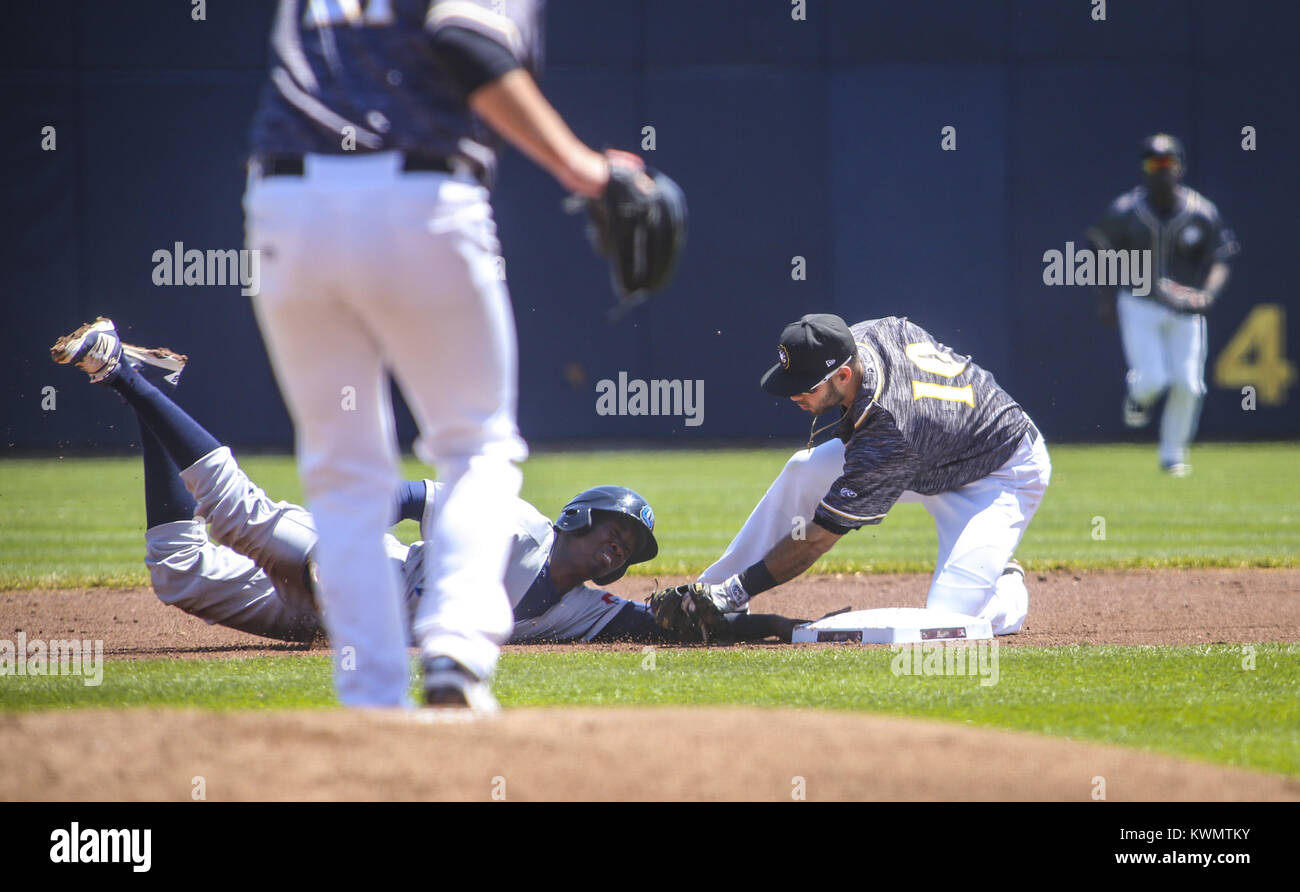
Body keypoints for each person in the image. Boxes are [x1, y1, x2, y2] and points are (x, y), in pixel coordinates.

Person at [242, 0, 657, 710]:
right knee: (476, 448)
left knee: (344, 474)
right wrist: (588, 171)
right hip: (417, 193)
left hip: (282, 201)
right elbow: (467, 39)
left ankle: (372, 693)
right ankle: (457, 659)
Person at [49, 319, 803, 657]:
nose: (618, 547)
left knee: (178, 576)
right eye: (615, 529)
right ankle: (118, 370)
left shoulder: (586, 611)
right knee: (239, 515)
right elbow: (413, 498)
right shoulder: (510, 525)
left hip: (331, 628)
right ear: (579, 517)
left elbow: (664, 628)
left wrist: (778, 628)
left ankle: (146, 385)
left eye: (630, 548)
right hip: (357, 567)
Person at [688, 313, 1051, 636]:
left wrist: (745, 585)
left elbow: (819, 536)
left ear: (844, 375)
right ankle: (712, 591)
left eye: (806, 386)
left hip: (998, 473)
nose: (794, 395)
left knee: (948, 623)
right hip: (933, 450)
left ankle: (1005, 584)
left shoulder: (890, 429)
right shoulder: (861, 339)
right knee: (804, 469)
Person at [1086, 133, 1240, 477]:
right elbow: (1099, 248)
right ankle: (1137, 397)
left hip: (1185, 308)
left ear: (1179, 167)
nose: (1161, 170)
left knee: (1189, 384)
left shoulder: (1200, 212)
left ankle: (1173, 456)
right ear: (1144, 168)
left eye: (1167, 163)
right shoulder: (1127, 211)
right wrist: (1106, 298)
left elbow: (1221, 257)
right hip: (1139, 302)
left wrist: (1207, 295)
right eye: (1154, 164)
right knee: (1153, 379)